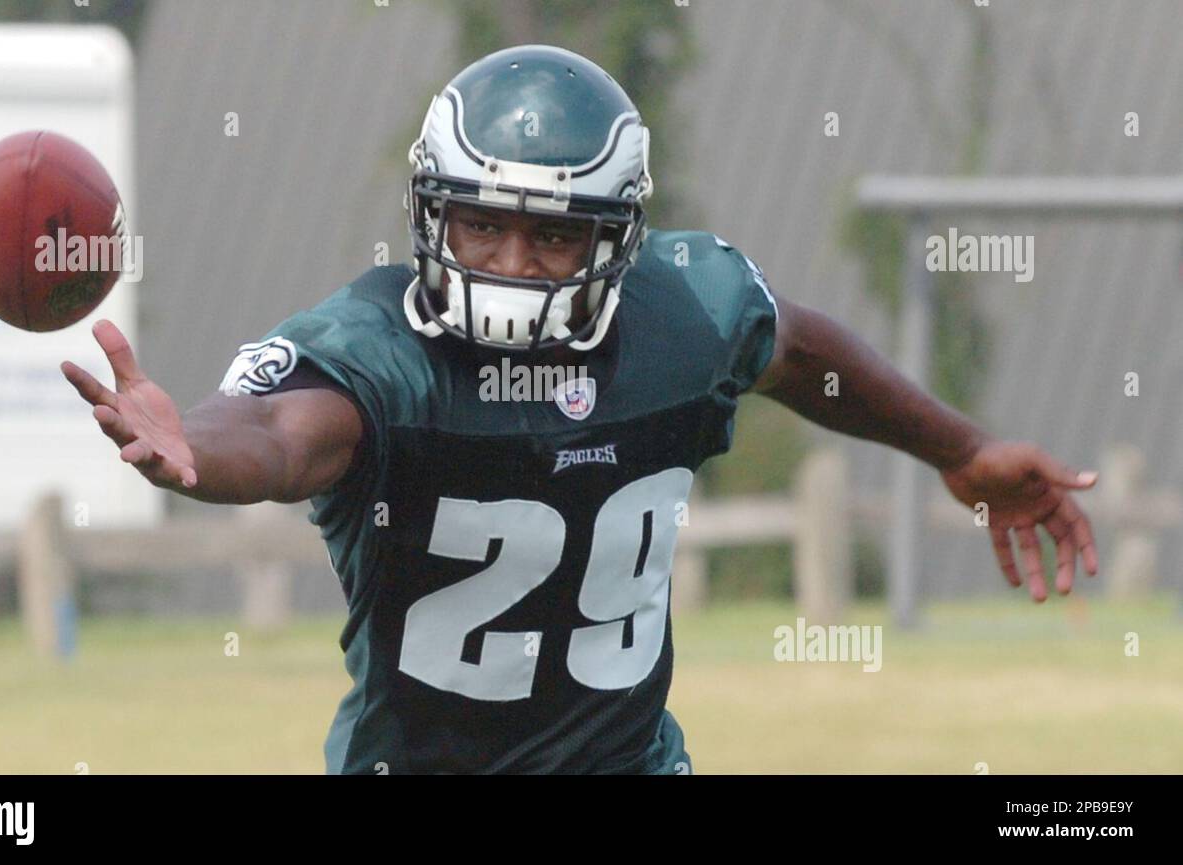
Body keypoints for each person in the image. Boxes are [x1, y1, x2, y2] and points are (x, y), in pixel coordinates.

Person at [61, 44, 1099, 774]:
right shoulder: (387, 350)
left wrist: (958, 449)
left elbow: (799, 348)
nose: (512, 264)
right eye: (479, 226)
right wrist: (190, 441)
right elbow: (280, 435)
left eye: (552, 237)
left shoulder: (681, 313)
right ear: (430, 218)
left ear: (617, 241)